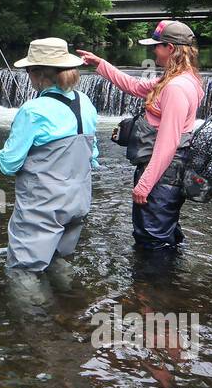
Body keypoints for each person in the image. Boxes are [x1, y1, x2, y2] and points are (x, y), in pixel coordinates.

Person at [77, 20, 204, 253]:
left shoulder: (176, 87)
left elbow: (168, 143)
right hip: (166, 173)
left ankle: (152, 287)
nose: (153, 50)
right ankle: (167, 285)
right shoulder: (181, 79)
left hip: (162, 175)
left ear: (171, 49)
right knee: (164, 233)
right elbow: (135, 87)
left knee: (151, 240)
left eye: (157, 46)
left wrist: (144, 184)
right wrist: (100, 64)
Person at [0, 38, 99, 293]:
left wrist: (2, 152)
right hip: (78, 202)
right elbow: (92, 154)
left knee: (23, 270)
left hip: (42, 207)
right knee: (58, 259)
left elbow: (9, 164)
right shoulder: (85, 102)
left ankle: (38, 326)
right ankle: (69, 305)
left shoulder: (33, 110)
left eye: (28, 70)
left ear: (37, 73)